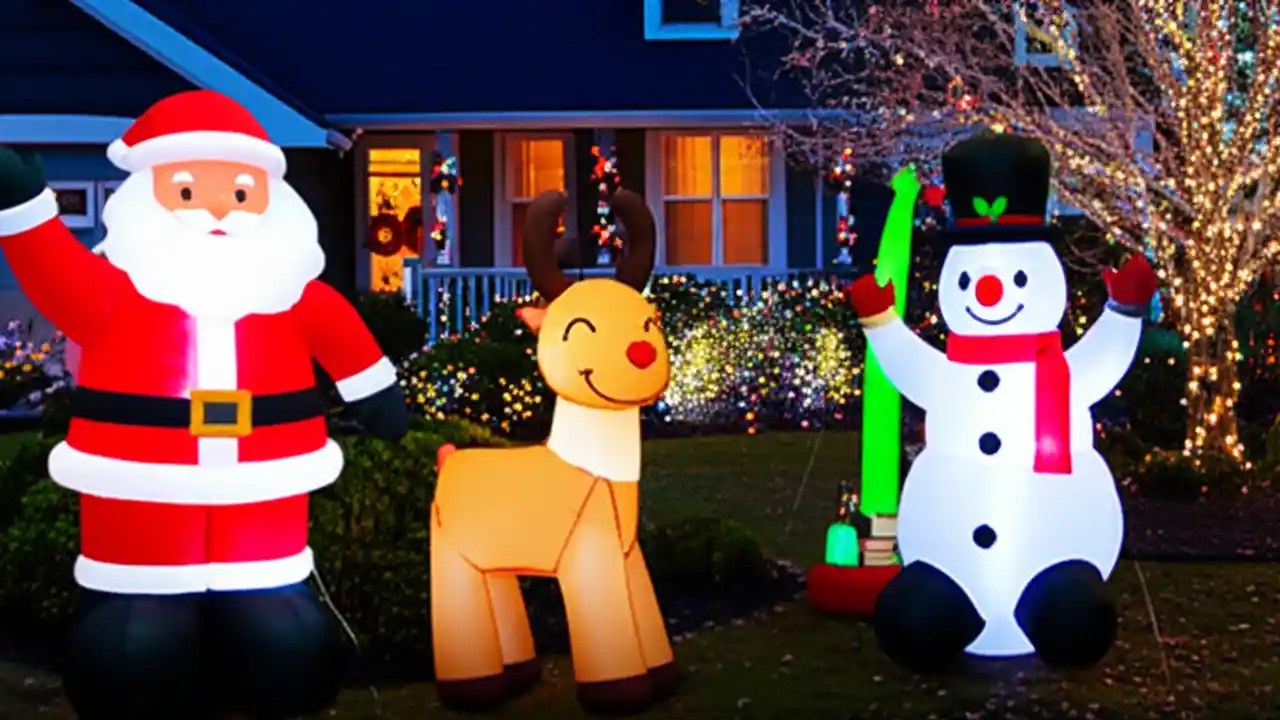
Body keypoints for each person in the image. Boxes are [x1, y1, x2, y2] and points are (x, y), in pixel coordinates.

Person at [0, 90, 409, 720]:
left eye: (243, 194)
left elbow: (341, 336)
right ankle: (138, 624)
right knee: (137, 644)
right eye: (187, 192)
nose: (221, 210)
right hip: (141, 501)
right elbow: (54, 271)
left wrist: (375, 392)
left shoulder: (290, 293)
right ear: (146, 198)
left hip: (264, 503)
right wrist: (26, 209)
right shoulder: (116, 294)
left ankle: (272, 630)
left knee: (281, 636)